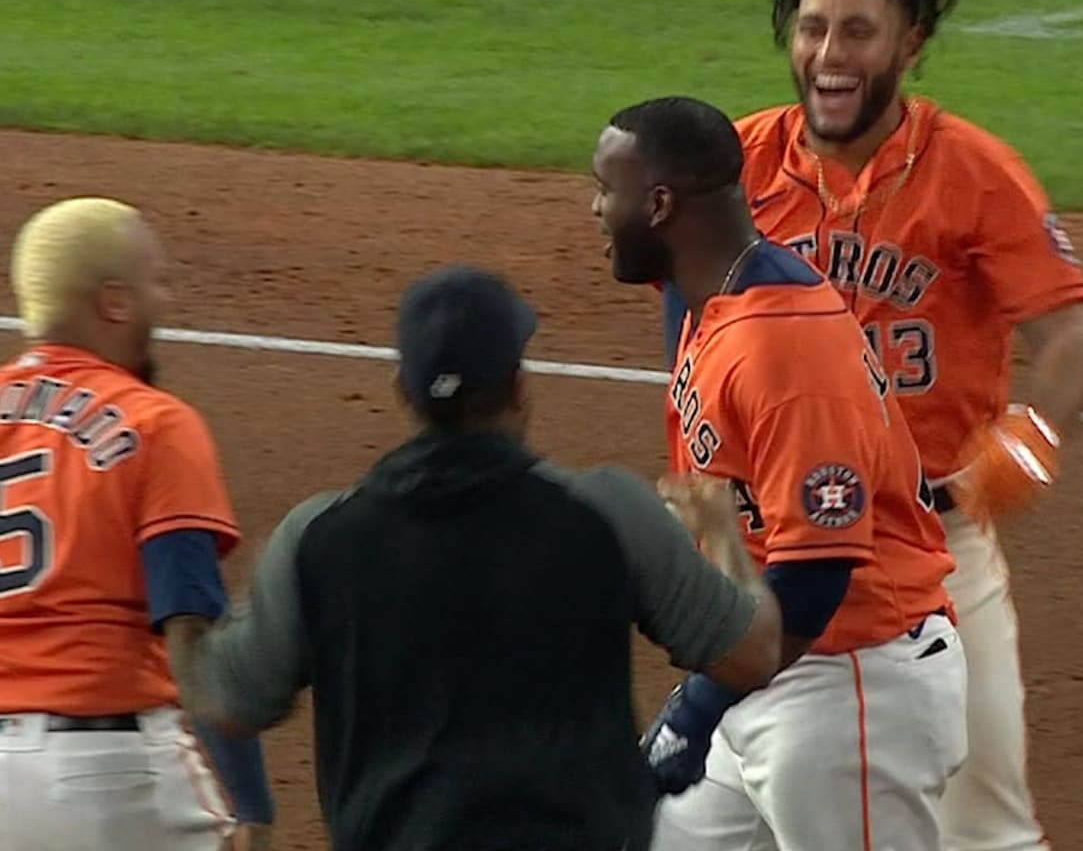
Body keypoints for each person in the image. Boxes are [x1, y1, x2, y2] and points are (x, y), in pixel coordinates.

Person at [657, 0, 1083, 846]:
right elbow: (680, 305)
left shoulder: (972, 171)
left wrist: (1031, 439)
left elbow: (1072, 333)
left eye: (858, 32)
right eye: (814, 28)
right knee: (696, 816)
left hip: (932, 552)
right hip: (767, 549)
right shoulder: (738, 166)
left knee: (987, 829)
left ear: (912, 44)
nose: (831, 54)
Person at [182, 263, 783, 851]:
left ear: (403, 393)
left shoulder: (316, 540)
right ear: (519, 389)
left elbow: (228, 702)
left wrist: (174, 600)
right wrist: (722, 539)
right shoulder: (607, 515)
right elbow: (753, 654)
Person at [595, 94, 968, 851]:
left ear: (660, 205)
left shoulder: (783, 350)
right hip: (768, 670)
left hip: (851, 686)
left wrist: (698, 705)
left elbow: (818, 572)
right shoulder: (717, 294)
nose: (596, 208)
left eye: (608, 189)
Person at [0, 197, 274, 851]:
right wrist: (252, 804)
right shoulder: (156, 422)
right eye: (157, 282)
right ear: (115, 302)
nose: (165, 300)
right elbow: (192, 630)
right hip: (110, 780)